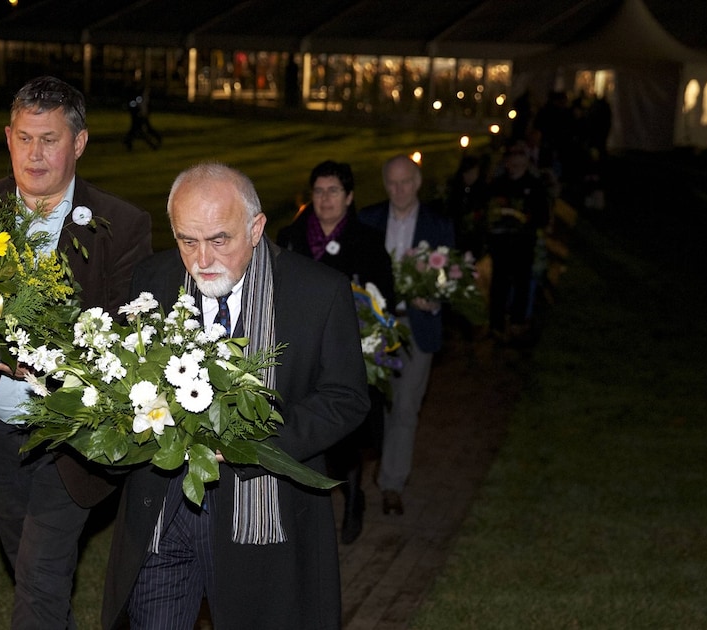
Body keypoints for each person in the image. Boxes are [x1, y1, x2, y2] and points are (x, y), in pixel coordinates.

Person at [102, 162, 369, 630]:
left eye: (219, 239)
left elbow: (346, 398)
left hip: (263, 520)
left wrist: (253, 442)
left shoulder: (318, 293)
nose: (202, 259)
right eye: (188, 240)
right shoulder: (153, 278)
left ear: (256, 228)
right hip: (163, 513)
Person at [0, 76, 153, 630]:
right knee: (33, 571)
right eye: (25, 138)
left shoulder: (120, 225)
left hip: (71, 435)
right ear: (8, 137)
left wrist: (53, 355)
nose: (35, 154)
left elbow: (126, 336)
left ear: (78, 143)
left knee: (38, 574)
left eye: (50, 140)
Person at [275, 159, 394, 544]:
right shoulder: (289, 238)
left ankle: (353, 497)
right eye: (319, 191)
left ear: (349, 196)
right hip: (297, 354)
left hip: (346, 350)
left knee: (344, 433)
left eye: (333, 191)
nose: (325, 199)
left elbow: (385, 297)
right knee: (300, 426)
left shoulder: (368, 241)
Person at [359, 154, 456, 517]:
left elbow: (449, 276)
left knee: (405, 407)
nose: (399, 190)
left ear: (417, 183)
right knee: (374, 405)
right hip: (374, 328)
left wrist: (433, 300)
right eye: (392, 183)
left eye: (405, 182)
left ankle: (392, 483)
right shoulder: (369, 219)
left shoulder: (437, 224)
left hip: (417, 328)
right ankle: (375, 466)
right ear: (385, 185)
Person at [484, 142, 550, 344]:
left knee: (522, 283)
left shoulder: (535, 186)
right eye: (512, 154)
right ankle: (496, 324)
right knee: (499, 284)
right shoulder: (498, 184)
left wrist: (525, 220)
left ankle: (517, 323)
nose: (515, 159)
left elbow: (542, 216)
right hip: (501, 244)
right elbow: (487, 211)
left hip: (523, 244)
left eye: (520, 154)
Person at [123, 84, 162, 151]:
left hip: (139, 114)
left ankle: (154, 143)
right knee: (138, 130)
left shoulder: (140, 96)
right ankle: (128, 142)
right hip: (139, 114)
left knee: (139, 130)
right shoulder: (140, 96)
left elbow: (138, 104)